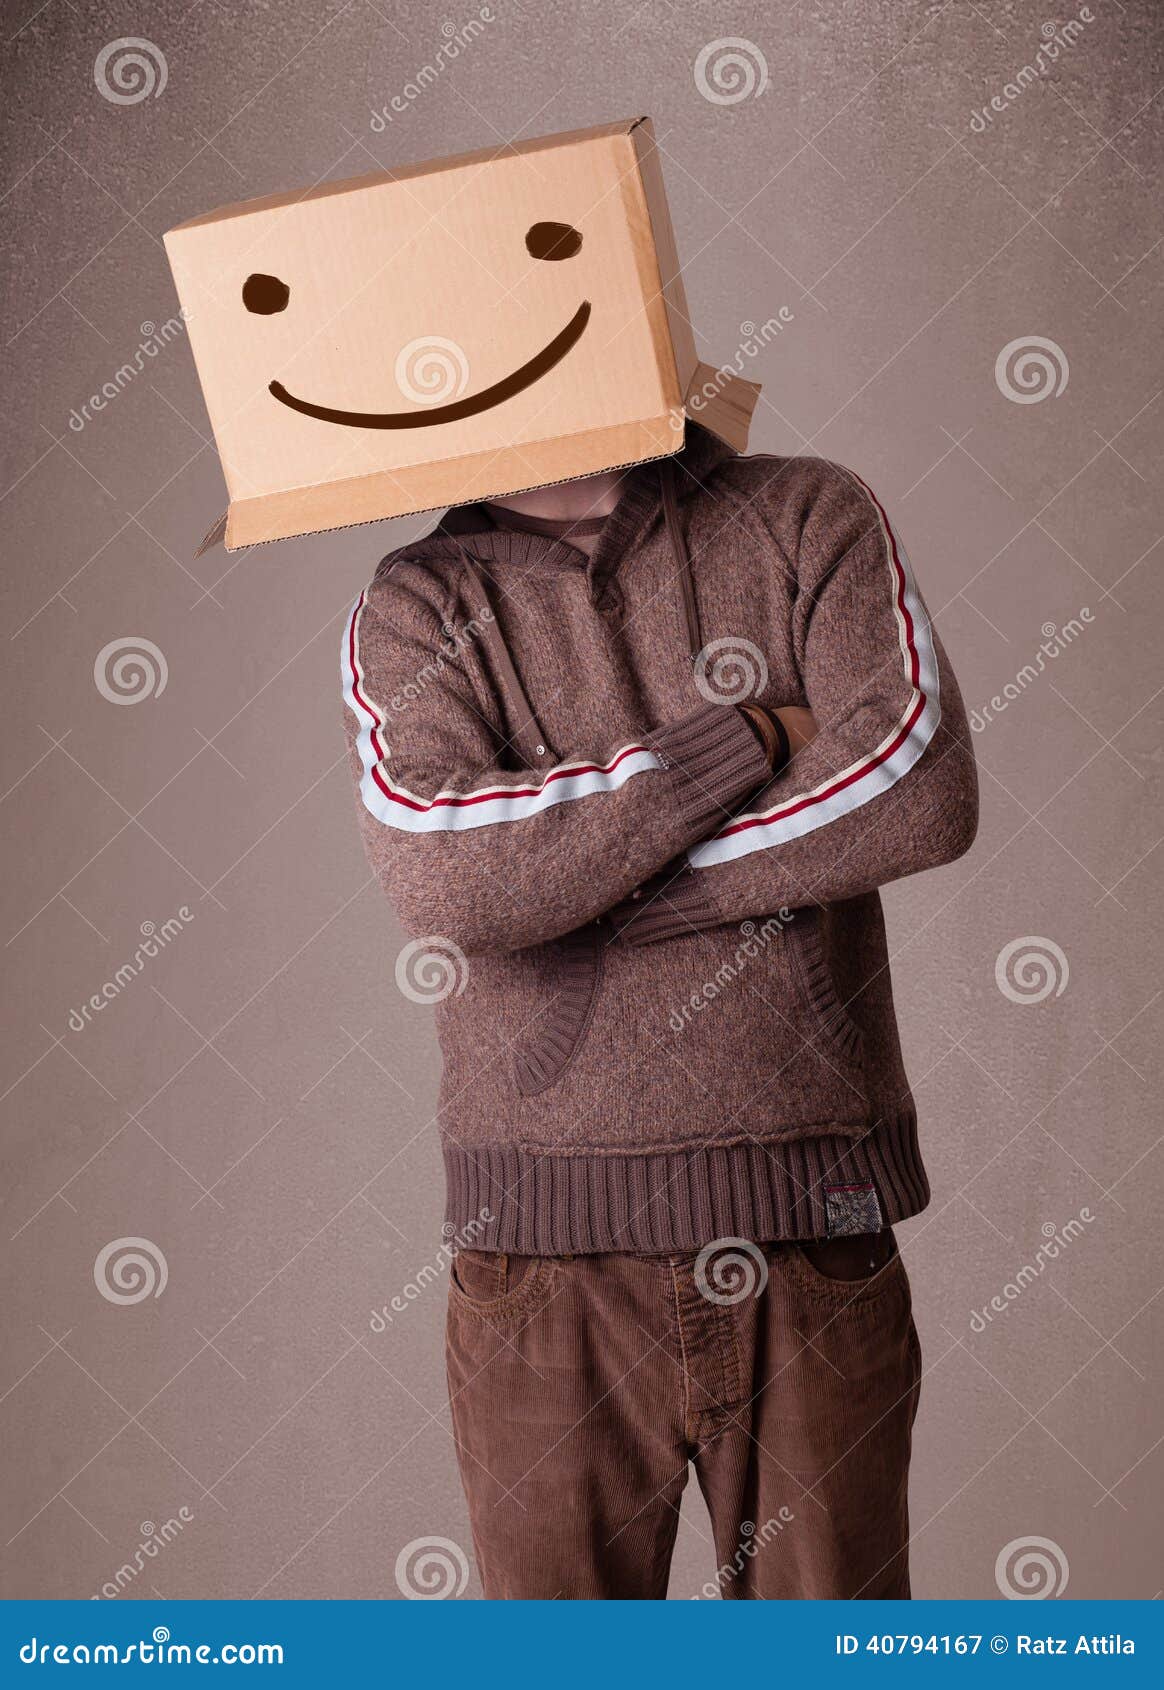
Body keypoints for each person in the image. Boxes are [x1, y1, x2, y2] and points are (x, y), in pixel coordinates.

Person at [342, 422, 978, 1599]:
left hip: (810, 1225)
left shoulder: (807, 515)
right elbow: (447, 877)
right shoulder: (417, 603)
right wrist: (748, 737)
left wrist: (598, 887)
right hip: (544, 1261)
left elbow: (918, 786)